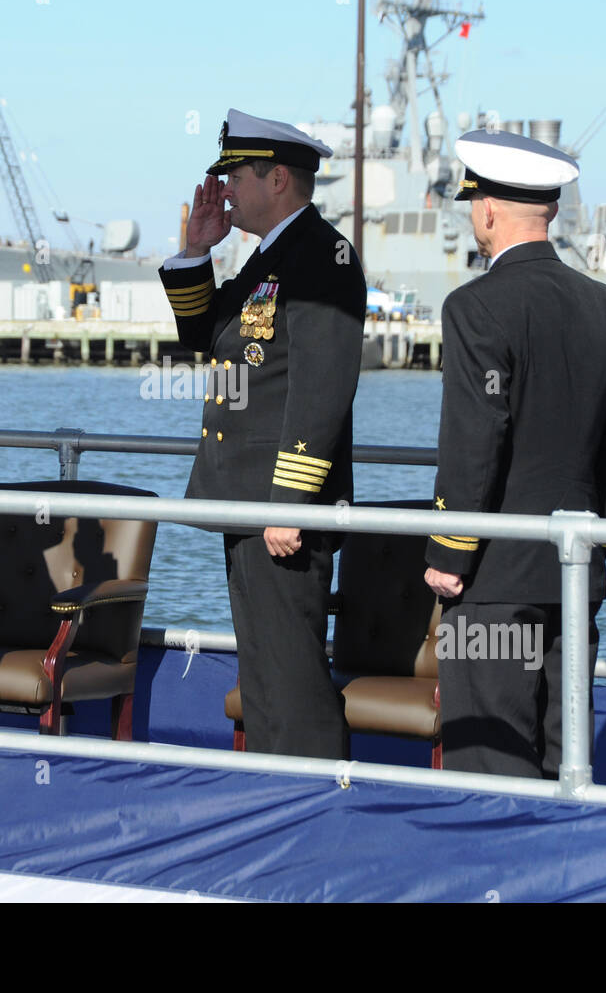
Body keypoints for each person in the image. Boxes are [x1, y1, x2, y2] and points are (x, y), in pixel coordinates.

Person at [424, 128, 606, 779]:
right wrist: (590, 539)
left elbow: (475, 438)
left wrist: (449, 553)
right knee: (563, 759)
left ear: (486, 210)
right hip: (571, 573)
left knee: (489, 760)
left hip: (493, 578)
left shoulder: (475, 307)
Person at [159, 109, 367, 760]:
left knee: (292, 677)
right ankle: (278, 793)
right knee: (265, 675)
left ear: (276, 178)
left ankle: (318, 801)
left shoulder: (323, 257)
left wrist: (289, 503)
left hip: (280, 507)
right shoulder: (267, 259)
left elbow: (321, 389)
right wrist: (198, 253)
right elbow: (203, 337)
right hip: (249, 500)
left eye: (234, 179)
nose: (225, 192)